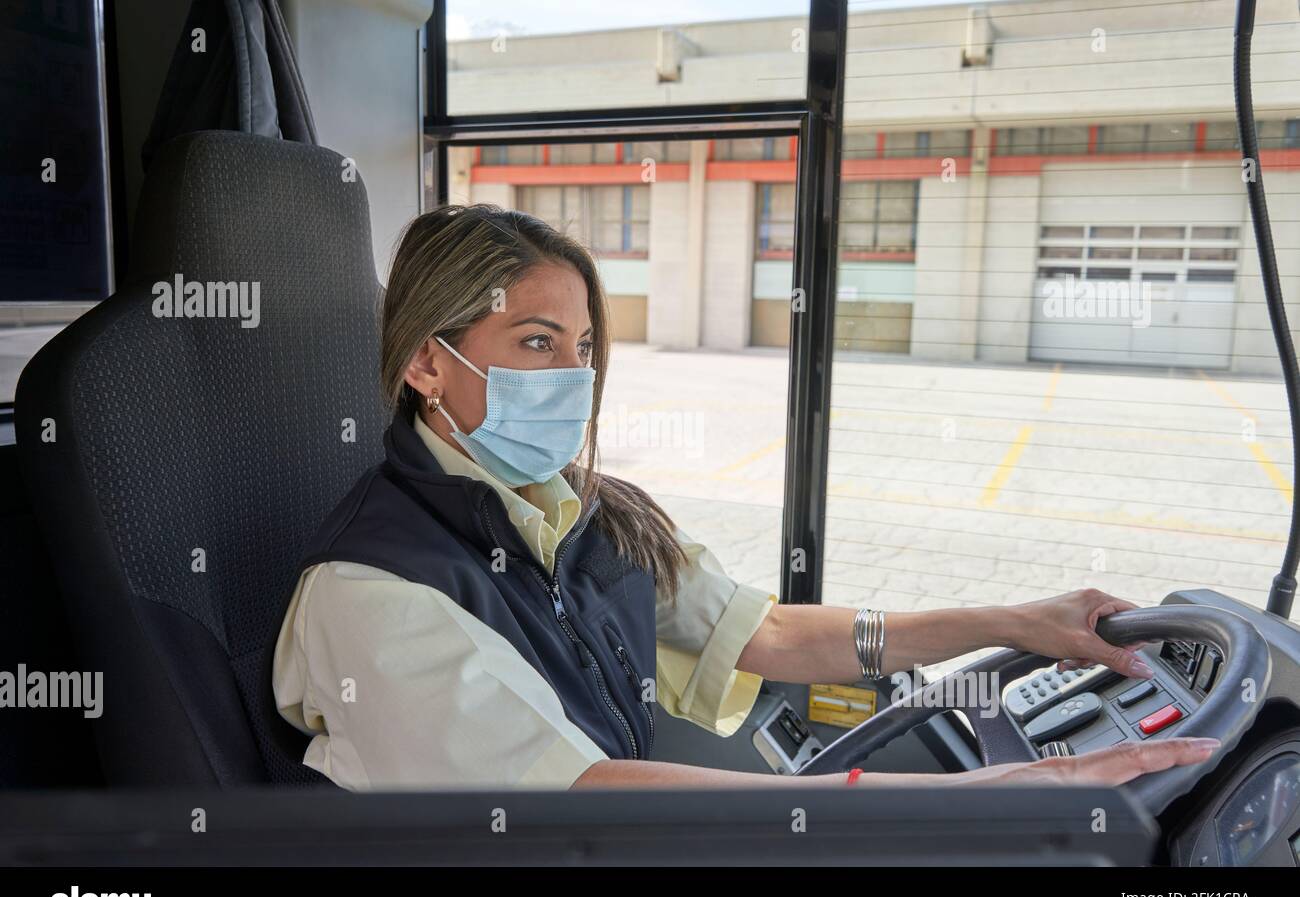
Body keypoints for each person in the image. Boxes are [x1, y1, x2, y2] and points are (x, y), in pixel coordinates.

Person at [271, 204, 1216, 791]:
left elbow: (769, 638)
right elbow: (584, 790)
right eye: (534, 343)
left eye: (584, 346)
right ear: (430, 365)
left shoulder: (579, 513)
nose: (574, 376)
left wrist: (1024, 621)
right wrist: (980, 800)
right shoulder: (371, 590)